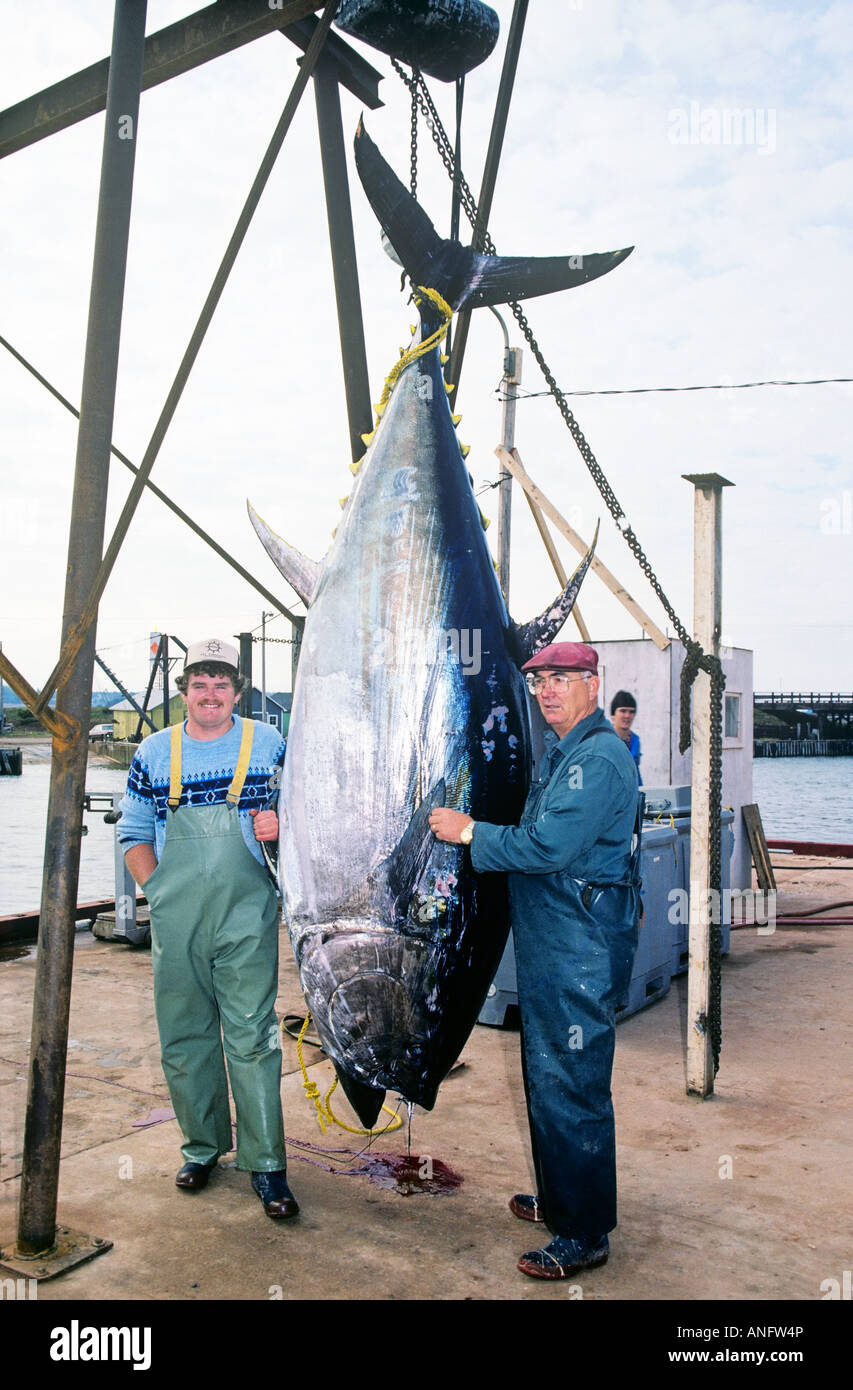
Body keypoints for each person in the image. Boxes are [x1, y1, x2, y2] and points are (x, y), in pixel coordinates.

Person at [429, 641, 640, 1280]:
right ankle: (561, 1197)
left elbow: (547, 846)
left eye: (563, 679)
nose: (548, 690)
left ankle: (583, 1232)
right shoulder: (568, 749)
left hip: (579, 949)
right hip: (558, 942)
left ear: (593, 684)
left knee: (571, 1085)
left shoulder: (598, 758)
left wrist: (469, 832)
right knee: (546, 1077)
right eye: (540, 680)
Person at [119, 638, 298, 1220]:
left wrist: (281, 825)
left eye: (222, 683)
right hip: (178, 911)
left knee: (252, 1035)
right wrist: (158, 893)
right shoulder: (154, 750)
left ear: (237, 691)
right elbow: (134, 832)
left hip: (248, 910)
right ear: (185, 691)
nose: (211, 694)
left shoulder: (268, 742)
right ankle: (201, 1148)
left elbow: (308, 811)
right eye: (200, 683)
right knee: (185, 1034)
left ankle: (267, 1165)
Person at [610, 689, 642, 783]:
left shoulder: (635, 740)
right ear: (613, 714)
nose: (627, 716)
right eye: (623, 711)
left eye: (631, 712)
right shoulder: (603, 740)